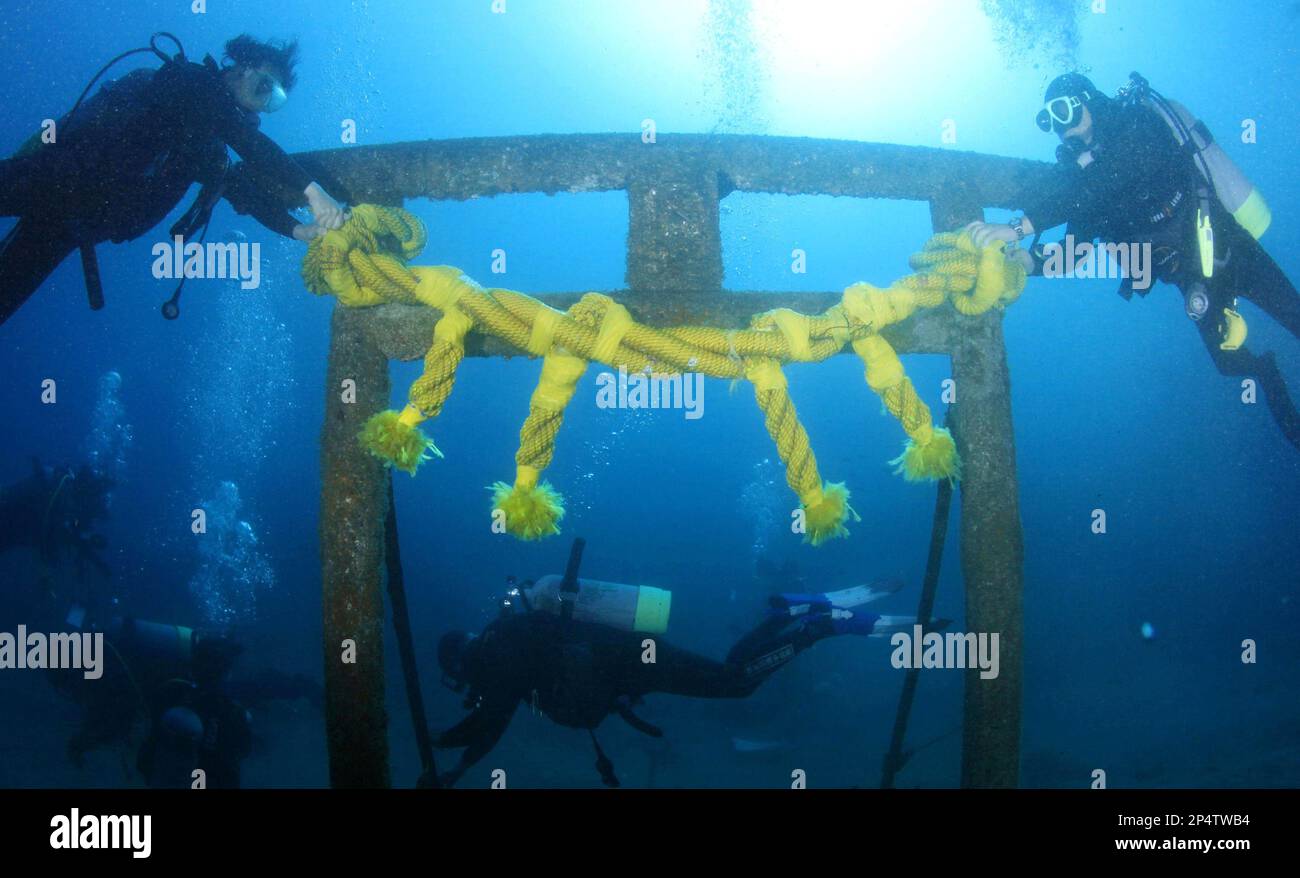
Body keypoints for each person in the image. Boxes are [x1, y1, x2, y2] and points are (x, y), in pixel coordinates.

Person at [968, 72, 1299, 450]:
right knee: (1229, 364)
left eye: (1064, 112)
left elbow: (1112, 176)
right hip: (1190, 278)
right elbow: (1076, 249)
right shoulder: (1088, 185)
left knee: (1295, 315)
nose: (1062, 129)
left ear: (1088, 100)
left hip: (1231, 247)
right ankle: (1272, 382)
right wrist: (1028, 263)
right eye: (1050, 121)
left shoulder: (1139, 126)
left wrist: (1019, 225)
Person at [431, 542, 926, 788]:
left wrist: (453, 769)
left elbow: (490, 722)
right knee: (732, 678)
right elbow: (491, 714)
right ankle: (786, 614)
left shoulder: (496, 657)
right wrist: (451, 749)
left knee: (736, 684)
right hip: (631, 659)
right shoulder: (507, 643)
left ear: (461, 661)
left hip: (631, 663)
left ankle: (813, 626)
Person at [0, 33, 348, 326]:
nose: (263, 104)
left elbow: (243, 190)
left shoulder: (209, 145)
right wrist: (313, 192)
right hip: (51, 179)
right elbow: (245, 139)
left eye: (275, 101)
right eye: (265, 87)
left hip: (70, 226)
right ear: (243, 69)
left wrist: (296, 229)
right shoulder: (189, 83)